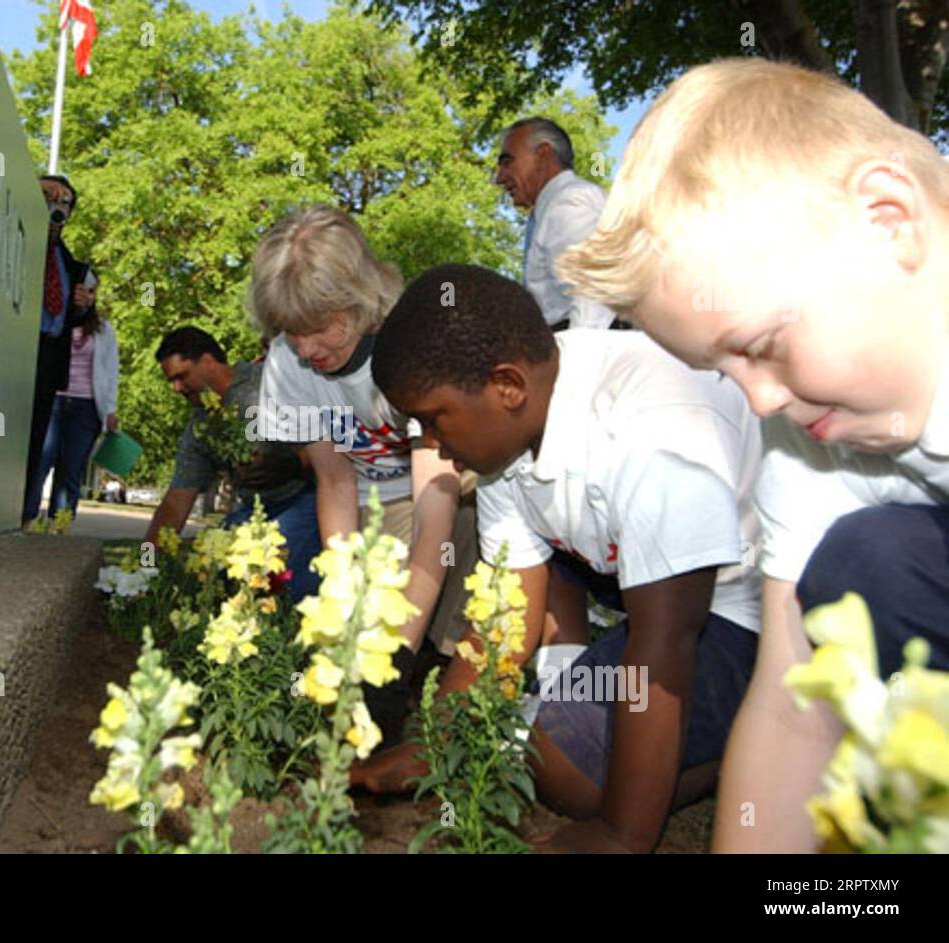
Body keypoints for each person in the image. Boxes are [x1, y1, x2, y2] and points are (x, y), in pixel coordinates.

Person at [557, 58, 949, 852]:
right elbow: (789, 698)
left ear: (890, 220)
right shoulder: (810, 436)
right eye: (724, 372)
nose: (759, 400)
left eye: (764, 346)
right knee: (864, 564)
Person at [356, 263, 763, 854]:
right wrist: (440, 741)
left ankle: (751, 738)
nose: (433, 445)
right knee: (549, 743)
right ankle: (671, 734)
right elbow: (508, 609)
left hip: (746, 607)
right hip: (641, 583)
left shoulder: (651, 435)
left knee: (566, 773)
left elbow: (666, 642)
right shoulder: (508, 434)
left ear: (506, 386)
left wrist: (620, 833)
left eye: (432, 419)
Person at [250, 206, 478, 747]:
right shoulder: (289, 363)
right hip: (371, 499)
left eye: (318, 328)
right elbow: (334, 481)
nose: (306, 349)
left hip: (450, 490)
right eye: (291, 331)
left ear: (358, 297)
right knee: (351, 630)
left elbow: (434, 510)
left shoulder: (416, 346)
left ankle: (451, 682)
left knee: (446, 586)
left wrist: (393, 661)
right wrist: (346, 603)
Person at [143, 326, 321, 599]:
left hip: (307, 499)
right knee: (212, 564)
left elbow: (339, 436)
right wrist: (144, 565)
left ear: (208, 361)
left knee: (278, 567)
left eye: (181, 376)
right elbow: (175, 501)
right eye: (171, 381)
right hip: (252, 510)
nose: (176, 388)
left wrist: (294, 463)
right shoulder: (200, 427)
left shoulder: (270, 381)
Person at [22, 174, 119, 528]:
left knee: (67, 469)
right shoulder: (16, 246)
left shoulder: (69, 265)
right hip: (21, 361)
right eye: (47, 197)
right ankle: (25, 518)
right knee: (35, 458)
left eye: (64, 202)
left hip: (54, 373)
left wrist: (79, 307)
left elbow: (107, 368)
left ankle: (58, 527)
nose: (56, 207)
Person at [494, 117, 619, 331]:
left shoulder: (569, 203)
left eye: (508, 162)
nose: (499, 178)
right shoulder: (549, 210)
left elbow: (593, 295)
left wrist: (579, 362)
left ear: (543, 155)